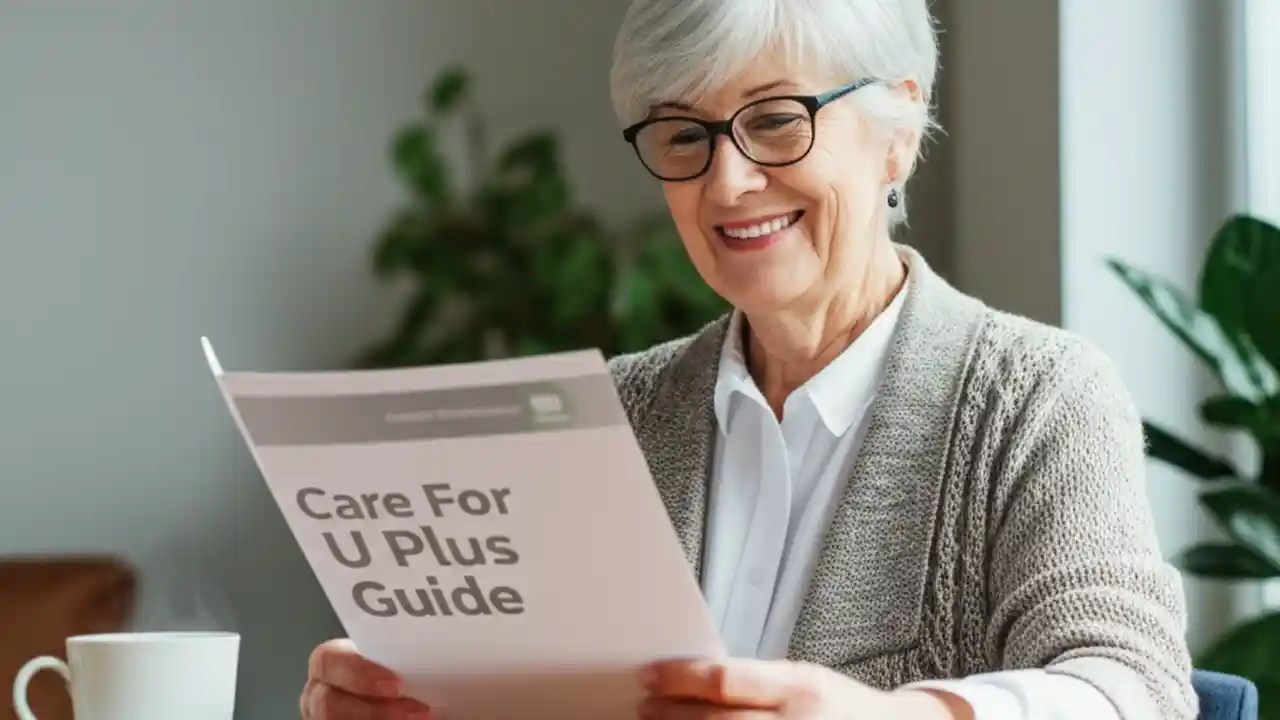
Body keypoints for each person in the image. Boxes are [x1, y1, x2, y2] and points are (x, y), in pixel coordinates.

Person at [299, 0, 1196, 717]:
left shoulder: (1036, 398)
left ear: (900, 126)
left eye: (776, 121)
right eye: (685, 134)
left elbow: (1134, 689)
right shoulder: (613, 413)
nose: (726, 182)